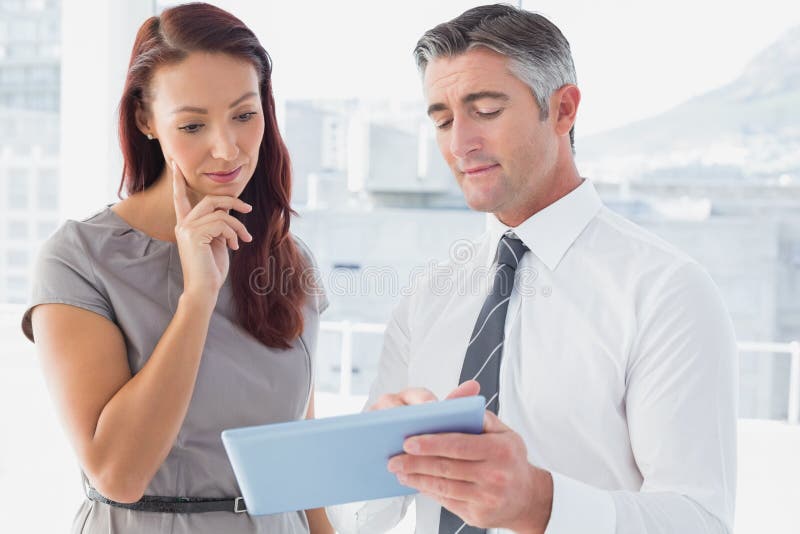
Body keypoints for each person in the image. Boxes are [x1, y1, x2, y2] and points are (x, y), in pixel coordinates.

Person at [326, 4, 737, 534]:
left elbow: (700, 520)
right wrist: (370, 459)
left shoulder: (666, 292)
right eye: (443, 120)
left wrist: (538, 503)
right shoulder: (428, 296)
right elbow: (355, 519)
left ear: (563, 110)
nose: (459, 144)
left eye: (485, 110)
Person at [21, 4, 331, 533]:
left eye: (244, 115)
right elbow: (118, 474)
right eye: (192, 124)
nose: (226, 149)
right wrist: (198, 298)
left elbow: (299, 454)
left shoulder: (288, 258)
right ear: (146, 120)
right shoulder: (79, 259)